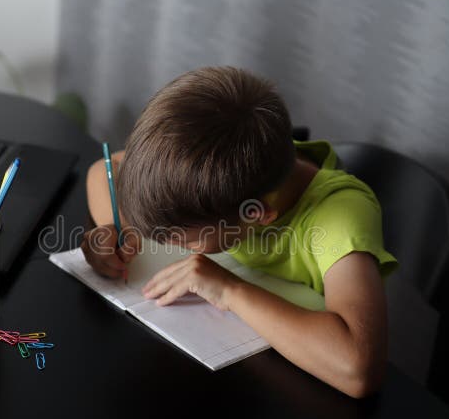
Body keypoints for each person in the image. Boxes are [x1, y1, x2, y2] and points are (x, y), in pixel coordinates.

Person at [82, 66, 397, 398]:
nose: (162, 241)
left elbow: (358, 369)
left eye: (180, 238)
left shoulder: (337, 219)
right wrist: (117, 232)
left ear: (257, 214)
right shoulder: (223, 162)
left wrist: (229, 290)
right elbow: (104, 170)